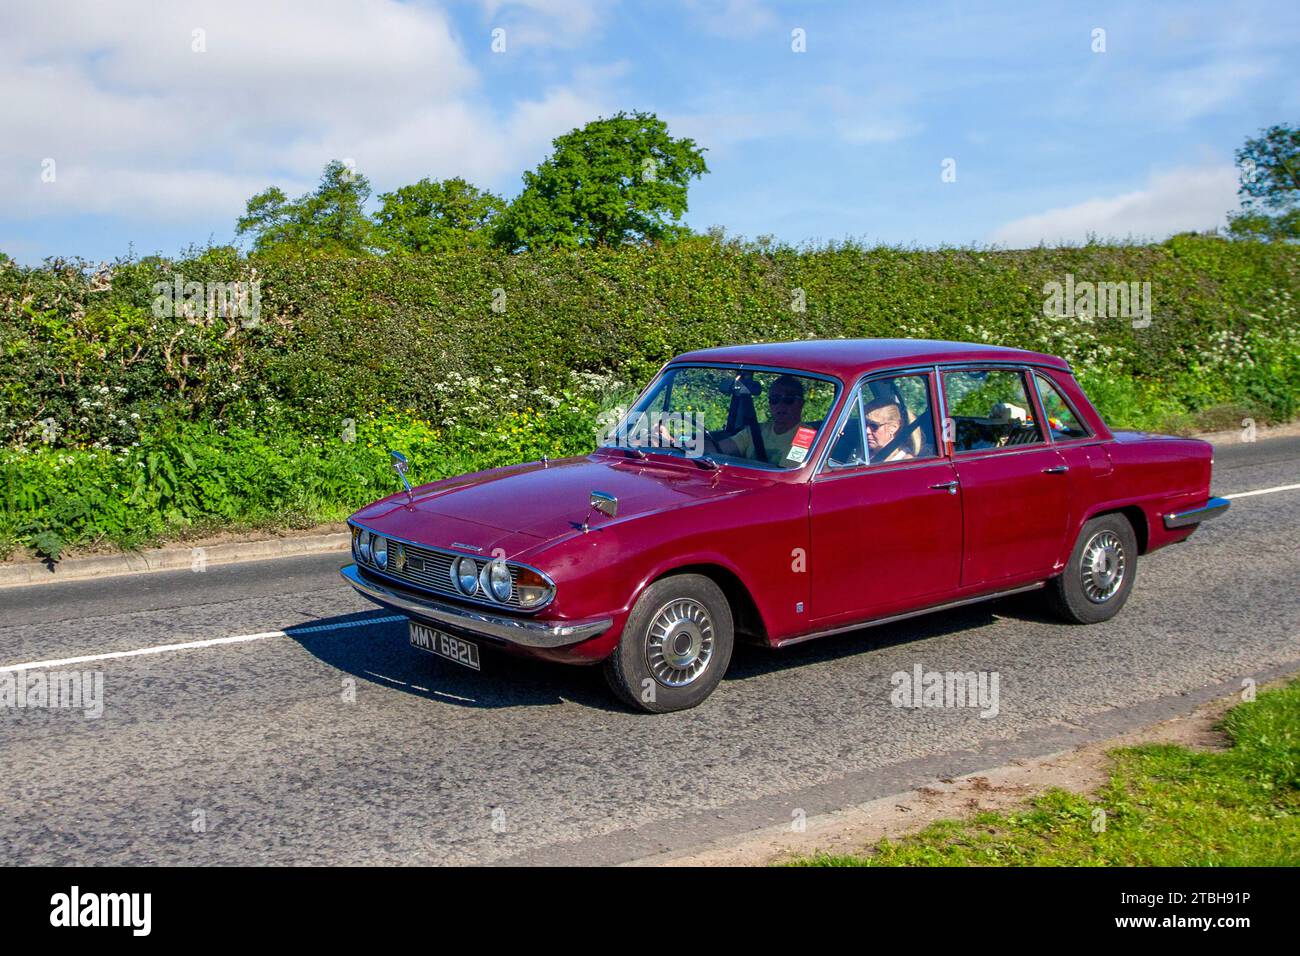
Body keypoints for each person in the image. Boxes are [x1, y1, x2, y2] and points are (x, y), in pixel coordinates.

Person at [708, 375, 808, 466]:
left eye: (788, 399)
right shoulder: (756, 430)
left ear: (800, 403)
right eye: (774, 399)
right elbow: (719, 448)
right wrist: (695, 445)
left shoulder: (805, 437)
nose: (780, 405)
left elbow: (784, 475)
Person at [864, 397, 915, 463]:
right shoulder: (861, 453)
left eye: (874, 426)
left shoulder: (905, 462)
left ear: (893, 428)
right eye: (864, 424)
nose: (866, 431)